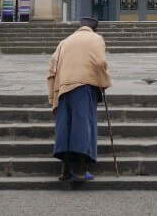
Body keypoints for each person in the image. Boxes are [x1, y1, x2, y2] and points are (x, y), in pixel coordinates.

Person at [47, 16, 112, 182]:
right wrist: (104, 82)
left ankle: (65, 170)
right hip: (84, 86)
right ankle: (81, 170)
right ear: (94, 29)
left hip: (63, 87)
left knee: (65, 127)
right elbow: (100, 62)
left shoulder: (65, 41)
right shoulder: (96, 38)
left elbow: (52, 66)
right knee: (82, 126)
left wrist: (53, 94)